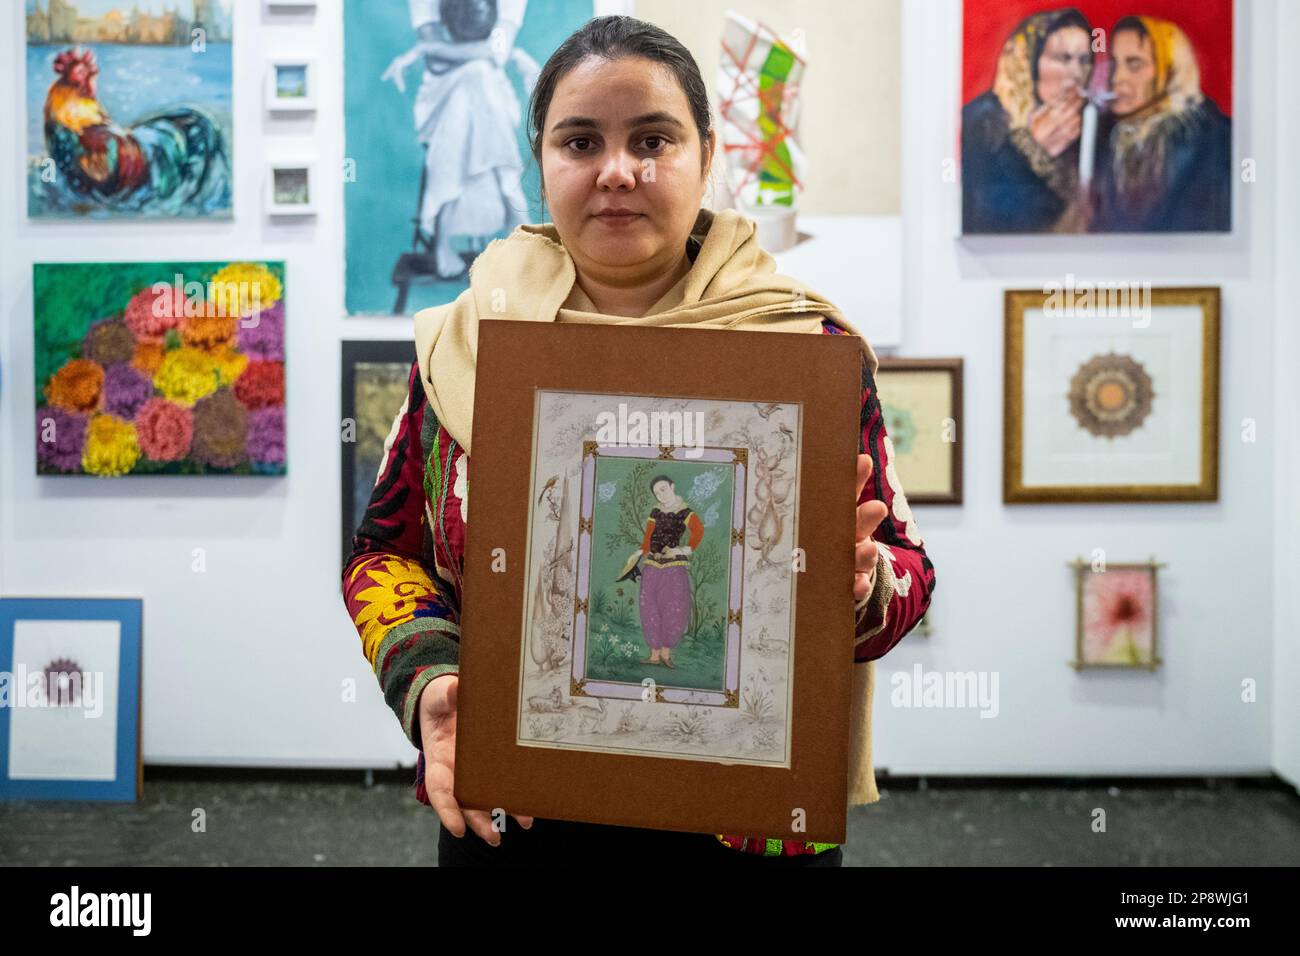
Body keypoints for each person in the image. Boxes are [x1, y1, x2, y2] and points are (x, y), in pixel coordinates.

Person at [341, 14, 936, 866]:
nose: (617, 171)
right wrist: (432, 679)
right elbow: (382, 555)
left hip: (742, 820)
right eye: (580, 141)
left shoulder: (804, 350)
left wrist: (856, 586)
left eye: (652, 139)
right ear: (539, 160)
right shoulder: (470, 341)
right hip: (519, 813)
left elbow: (910, 567)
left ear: (707, 153)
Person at [381, 0, 540, 279]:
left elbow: (495, 51)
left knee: (477, 79)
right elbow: (444, 59)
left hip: (491, 92)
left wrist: (422, 49)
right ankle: (514, 215)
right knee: (476, 78)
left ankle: (442, 238)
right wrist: (493, 54)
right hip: (441, 92)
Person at [1089, 15, 1231, 232]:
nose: (1117, 77)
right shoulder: (1104, 137)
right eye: (1114, 63)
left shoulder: (1217, 142)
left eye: (1134, 64)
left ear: (1172, 68)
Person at [961, 8, 1094, 233]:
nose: (1076, 73)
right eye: (1063, 58)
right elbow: (982, 217)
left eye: (1084, 60)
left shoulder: (1088, 123)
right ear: (1027, 61)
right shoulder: (983, 120)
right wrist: (1032, 152)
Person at [629, 475, 704, 668]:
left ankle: (665, 654)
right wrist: (639, 554)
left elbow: (698, 532)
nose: (660, 494)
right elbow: (648, 537)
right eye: (656, 492)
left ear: (672, 486)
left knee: (672, 607)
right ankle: (653, 656)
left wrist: (682, 550)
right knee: (649, 607)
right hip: (652, 565)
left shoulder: (685, 512)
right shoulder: (655, 511)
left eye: (663, 489)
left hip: (673, 566)